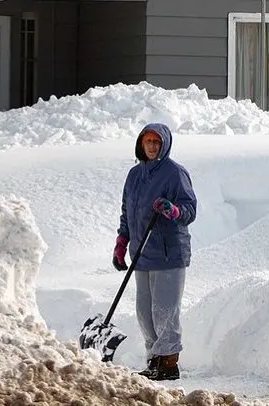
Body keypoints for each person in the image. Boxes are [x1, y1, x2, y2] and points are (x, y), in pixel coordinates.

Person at [112, 122, 197, 381]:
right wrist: (122, 241)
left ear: (165, 145)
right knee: (145, 311)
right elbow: (128, 211)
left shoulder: (174, 173)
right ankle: (153, 360)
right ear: (141, 144)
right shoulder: (134, 175)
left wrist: (172, 210)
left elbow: (189, 210)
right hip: (142, 253)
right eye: (147, 141)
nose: (151, 146)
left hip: (168, 253)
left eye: (156, 142)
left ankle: (168, 363)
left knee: (165, 310)